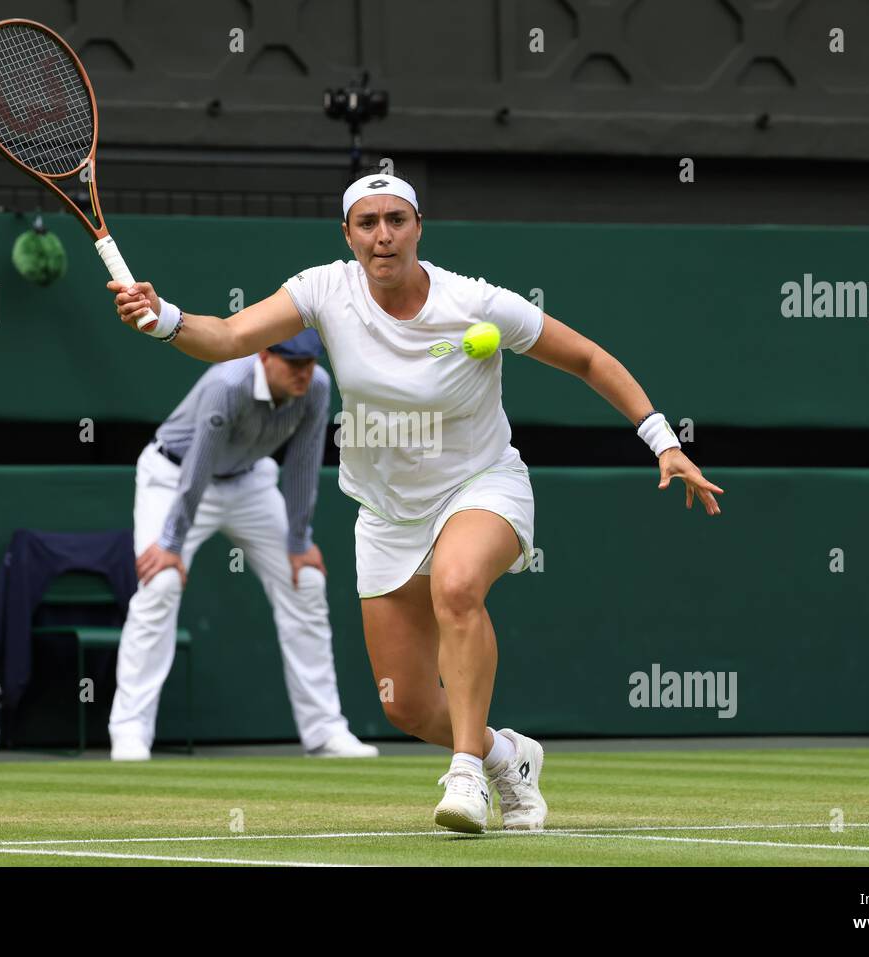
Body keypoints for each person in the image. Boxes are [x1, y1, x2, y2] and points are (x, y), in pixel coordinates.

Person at [108, 172, 724, 832]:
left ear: (418, 227)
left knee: (457, 585)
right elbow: (229, 336)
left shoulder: (476, 303)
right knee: (403, 703)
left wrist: (662, 440)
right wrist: (164, 318)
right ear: (347, 235)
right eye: (367, 222)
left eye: (396, 219)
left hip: (481, 484)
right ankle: (505, 755)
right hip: (386, 515)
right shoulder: (323, 289)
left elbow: (588, 359)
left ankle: (466, 772)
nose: (383, 234)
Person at [108, 329, 378, 761]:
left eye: (309, 364)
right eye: (293, 364)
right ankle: (130, 732)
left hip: (250, 483)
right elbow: (197, 467)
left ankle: (325, 730)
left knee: (305, 581)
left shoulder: (317, 388)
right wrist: (172, 544)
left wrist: (298, 539)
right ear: (265, 356)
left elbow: (304, 462)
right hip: (173, 478)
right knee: (159, 585)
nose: (303, 374)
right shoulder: (226, 385)